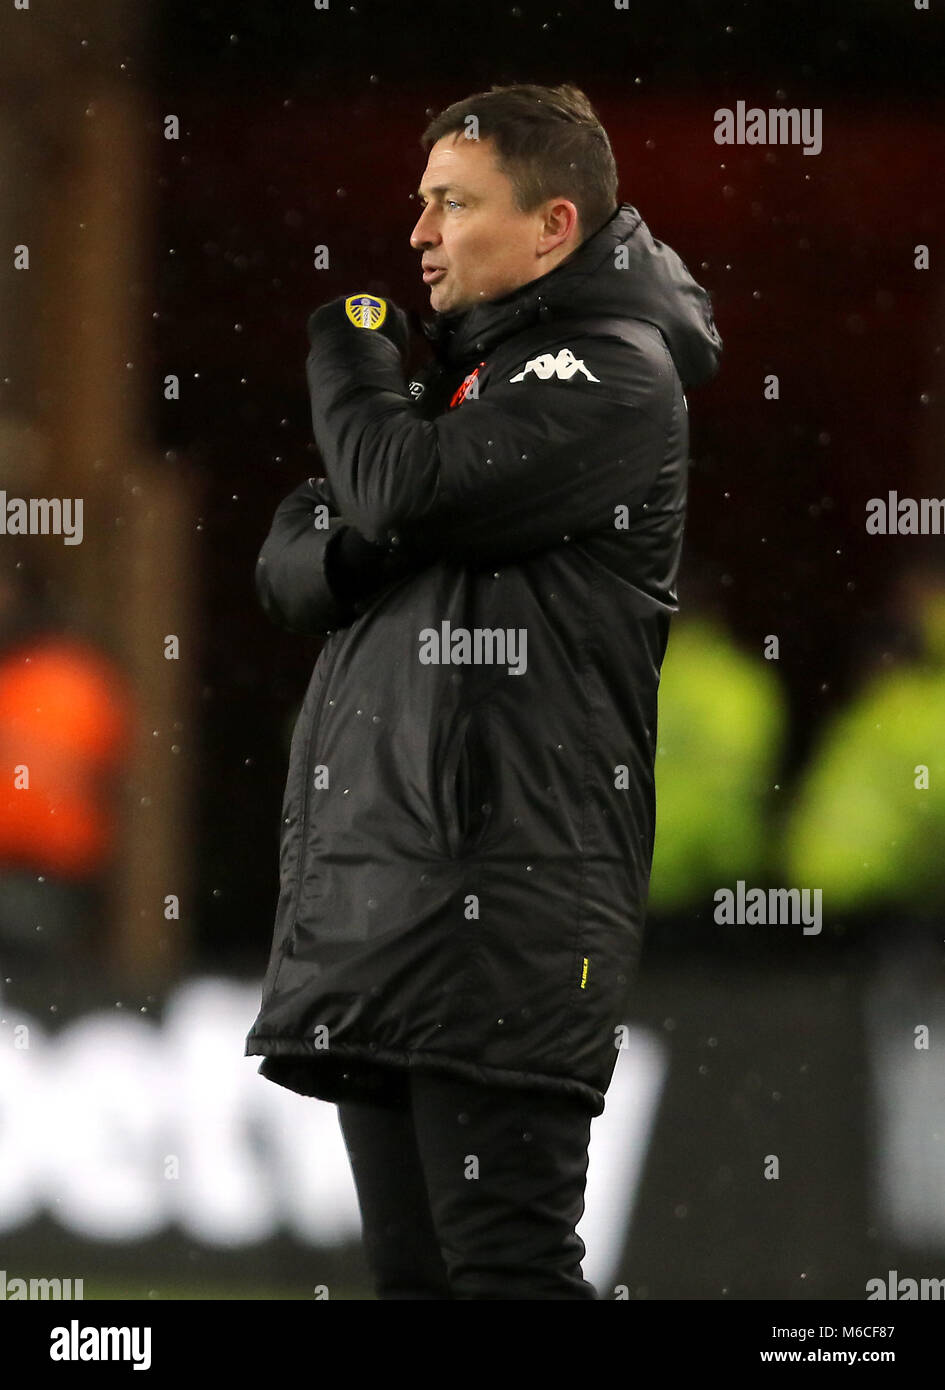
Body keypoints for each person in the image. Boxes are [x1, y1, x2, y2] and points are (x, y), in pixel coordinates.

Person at [245, 82, 722, 1299]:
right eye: (420, 203)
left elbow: (391, 494)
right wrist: (367, 504)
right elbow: (293, 561)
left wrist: (348, 351)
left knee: (506, 1268)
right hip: (395, 901)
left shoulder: (612, 372)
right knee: (417, 1276)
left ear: (554, 226)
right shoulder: (467, 386)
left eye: (452, 205)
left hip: (507, 901)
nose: (417, 235)